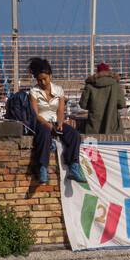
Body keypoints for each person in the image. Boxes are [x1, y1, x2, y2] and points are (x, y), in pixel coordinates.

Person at [26, 57, 85, 185]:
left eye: (44, 79)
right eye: (39, 80)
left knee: (74, 135)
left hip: (55, 120)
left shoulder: (59, 90)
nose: (42, 82)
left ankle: (73, 166)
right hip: (42, 122)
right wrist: (46, 123)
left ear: (50, 76)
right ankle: (43, 167)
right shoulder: (34, 91)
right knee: (45, 132)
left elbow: (60, 110)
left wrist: (59, 123)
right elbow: (35, 114)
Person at [79, 62, 126, 135]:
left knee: (93, 144)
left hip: (94, 125)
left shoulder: (90, 85)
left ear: (97, 72)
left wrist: (93, 107)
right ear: (109, 71)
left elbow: (83, 105)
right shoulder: (116, 85)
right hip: (112, 124)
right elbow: (122, 104)